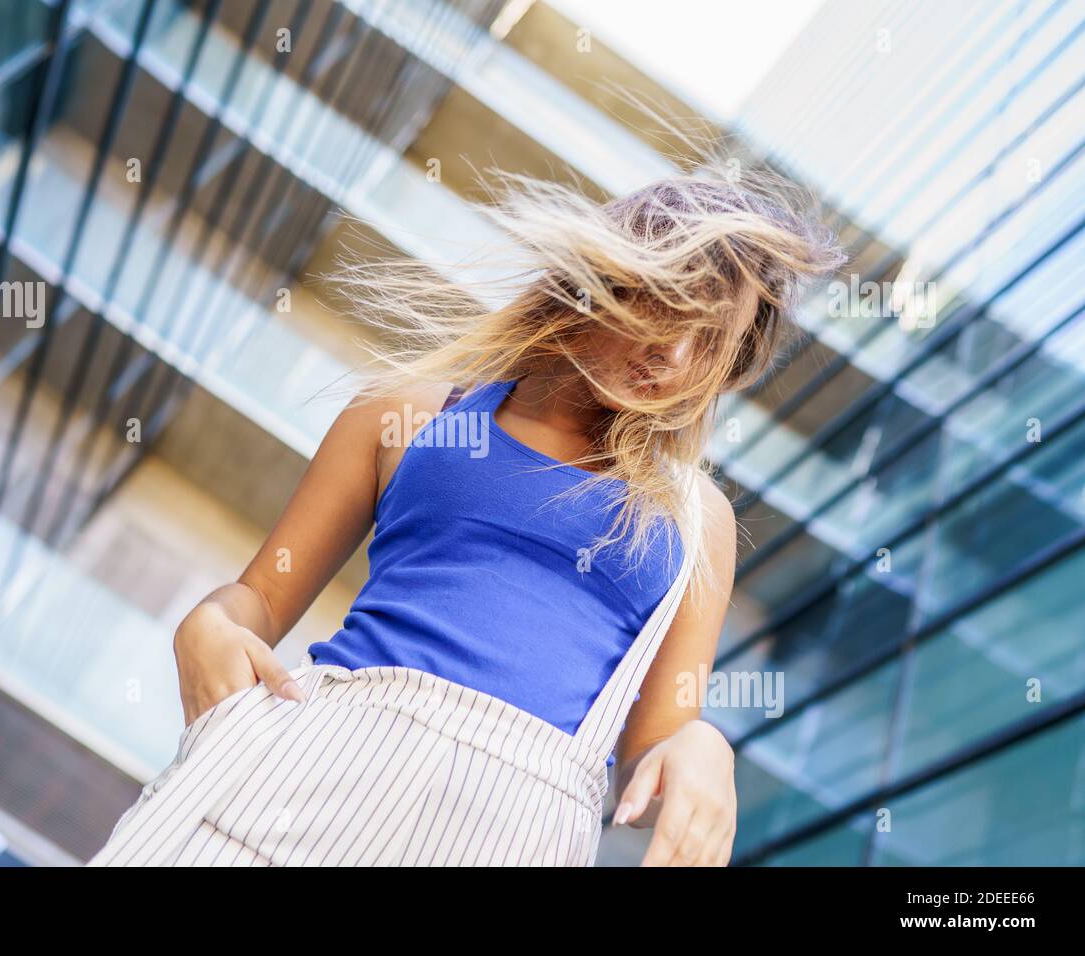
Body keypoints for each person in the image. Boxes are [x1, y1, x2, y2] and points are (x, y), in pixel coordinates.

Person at [89, 164, 843, 867]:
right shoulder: (408, 414)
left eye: (711, 342)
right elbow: (258, 597)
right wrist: (210, 625)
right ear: (603, 279)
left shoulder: (693, 518)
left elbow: (650, 757)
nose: (675, 356)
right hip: (309, 764)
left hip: (510, 836)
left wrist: (705, 745)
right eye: (667, 303)